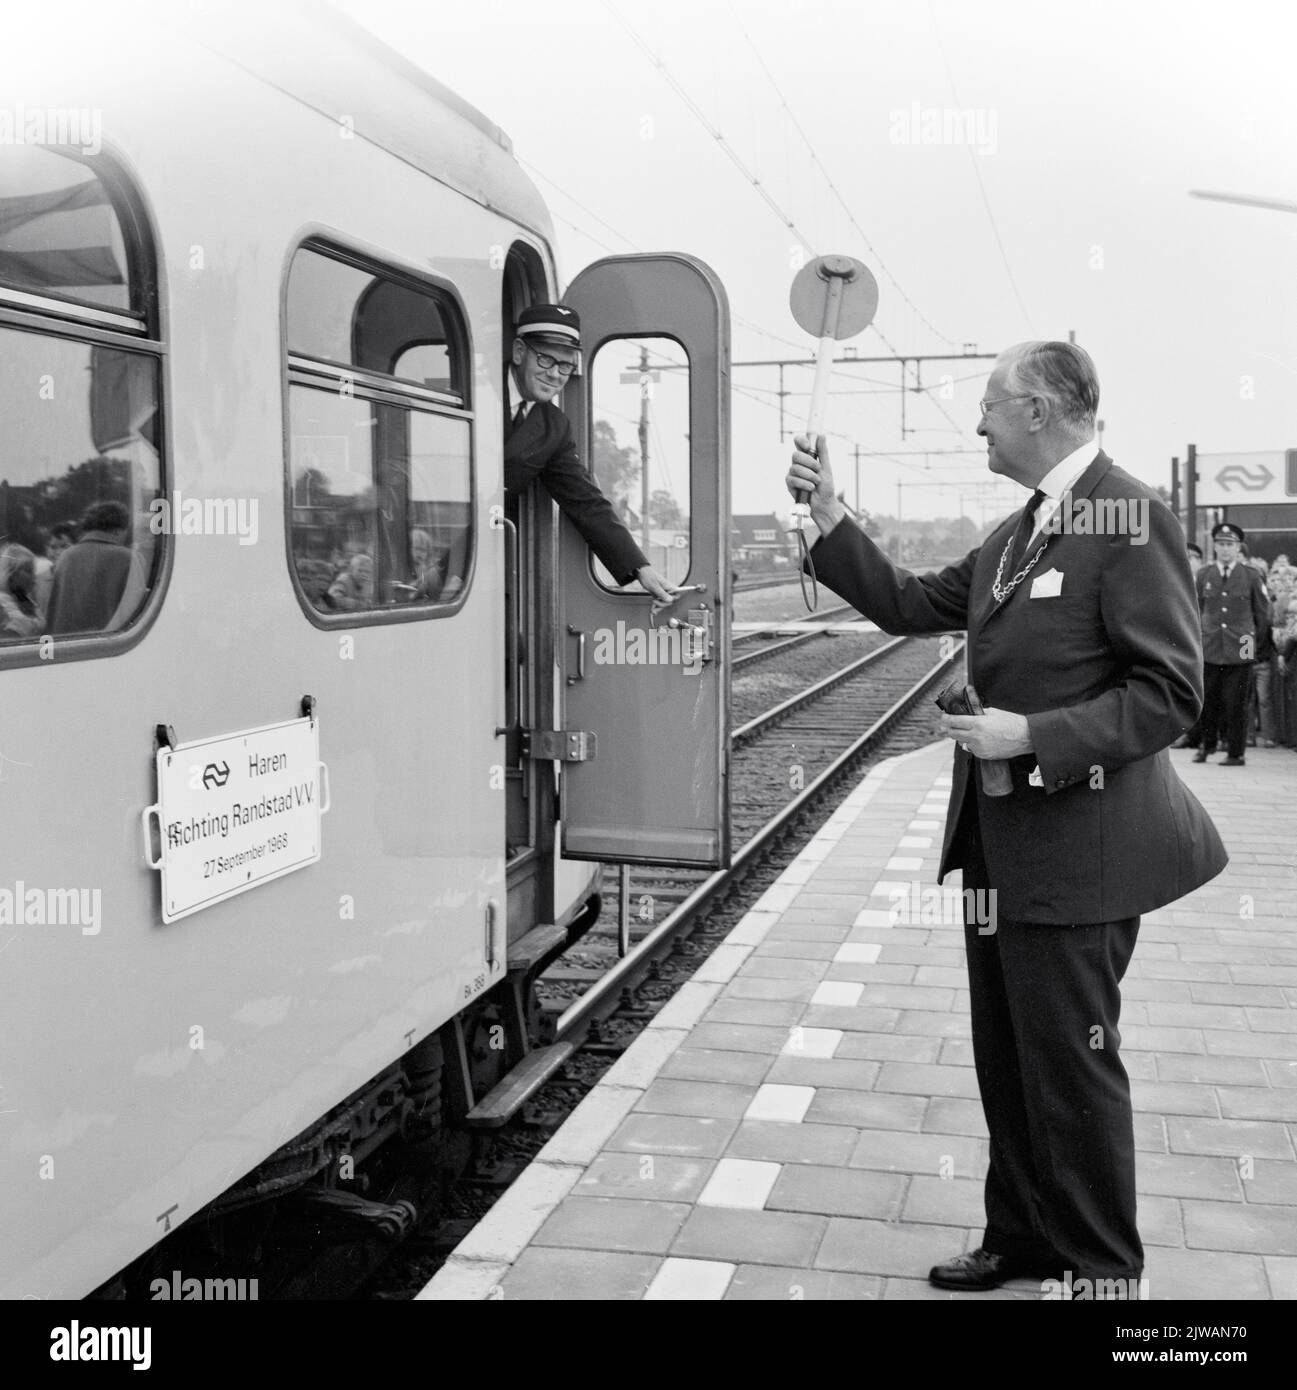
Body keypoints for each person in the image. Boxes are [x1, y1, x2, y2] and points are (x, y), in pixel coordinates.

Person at [787, 340, 1227, 1296]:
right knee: (1008, 1054)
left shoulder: (1126, 517)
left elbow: (1170, 694)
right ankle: (1022, 1236)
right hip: (1002, 849)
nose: (975, 421)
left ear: (1039, 411)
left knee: (1073, 1064)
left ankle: (1106, 1271)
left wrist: (1031, 732)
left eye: (988, 404)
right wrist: (828, 516)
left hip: (1084, 852)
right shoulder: (1017, 535)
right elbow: (908, 603)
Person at [505, 304, 673, 604]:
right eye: (545, 359)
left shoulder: (553, 427)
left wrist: (640, 567)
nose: (555, 375)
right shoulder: (478, 390)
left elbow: (585, 501)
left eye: (565, 366)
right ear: (519, 352)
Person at [1193, 522, 1270, 765]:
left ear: (1238, 548)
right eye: (1221, 544)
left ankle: (1236, 752)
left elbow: (1262, 615)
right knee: (1207, 701)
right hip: (1211, 647)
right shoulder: (1204, 574)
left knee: (1236, 704)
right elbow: (1196, 611)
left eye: (1230, 545)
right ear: (1214, 547)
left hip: (1241, 647)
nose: (1225, 549)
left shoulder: (1251, 575)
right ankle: (1207, 746)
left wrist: (1251, 647)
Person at [44, 501, 141, 635]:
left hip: (66, 647)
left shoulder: (66, 556)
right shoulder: (127, 558)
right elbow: (138, 614)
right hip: (110, 647)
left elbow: (53, 611)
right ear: (119, 530)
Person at [0, 544, 44, 637]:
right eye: (28, 571)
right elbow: (20, 629)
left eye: (33, 570)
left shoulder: (24, 599)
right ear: (11, 574)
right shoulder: (3, 603)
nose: (34, 576)